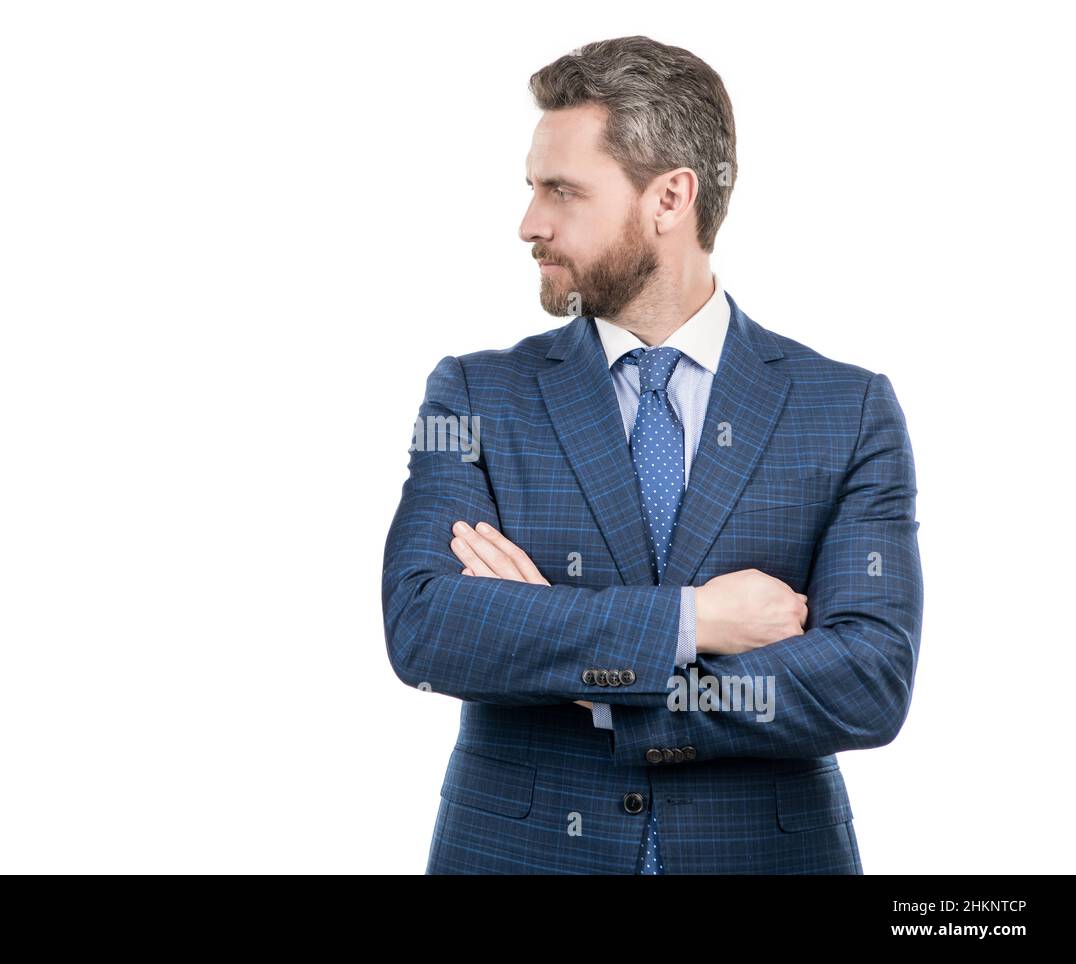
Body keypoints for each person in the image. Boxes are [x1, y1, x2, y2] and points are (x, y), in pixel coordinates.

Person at [381, 35, 922, 874]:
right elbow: (426, 626)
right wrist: (693, 623)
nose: (530, 223)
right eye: (532, 188)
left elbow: (869, 680)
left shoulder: (846, 410)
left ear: (670, 198)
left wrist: (583, 670)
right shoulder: (473, 396)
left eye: (562, 190)